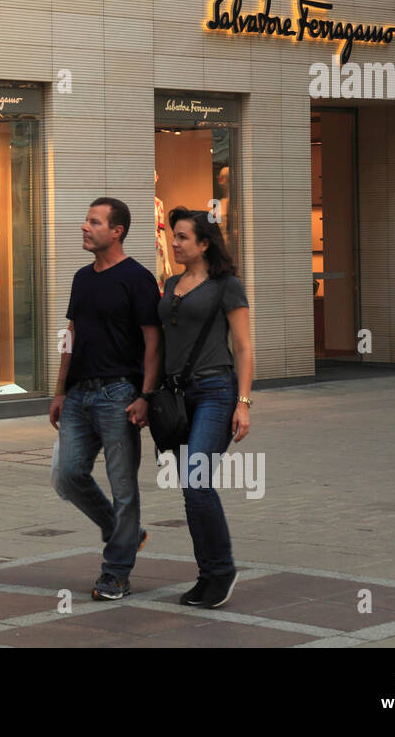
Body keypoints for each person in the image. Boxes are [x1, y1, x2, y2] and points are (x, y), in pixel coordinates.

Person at [49, 197, 162, 601]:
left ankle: (116, 571)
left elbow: (153, 342)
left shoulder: (137, 278)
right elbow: (72, 335)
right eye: (85, 219)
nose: (84, 226)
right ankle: (124, 532)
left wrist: (145, 395)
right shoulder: (82, 278)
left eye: (94, 222)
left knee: (123, 486)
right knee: (67, 475)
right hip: (80, 394)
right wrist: (60, 390)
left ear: (117, 231)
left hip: (120, 393)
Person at [158, 207, 253, 609]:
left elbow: (244, 346)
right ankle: (207, 574)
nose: (174, 243)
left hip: (215, 391)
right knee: (189, 488)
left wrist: (244, 402)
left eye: (181, 237)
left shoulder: (226, 285)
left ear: (204, 243)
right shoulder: (168, 284)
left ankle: (221, 570)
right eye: (172, 236)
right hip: (177, 398)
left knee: (197, 480)